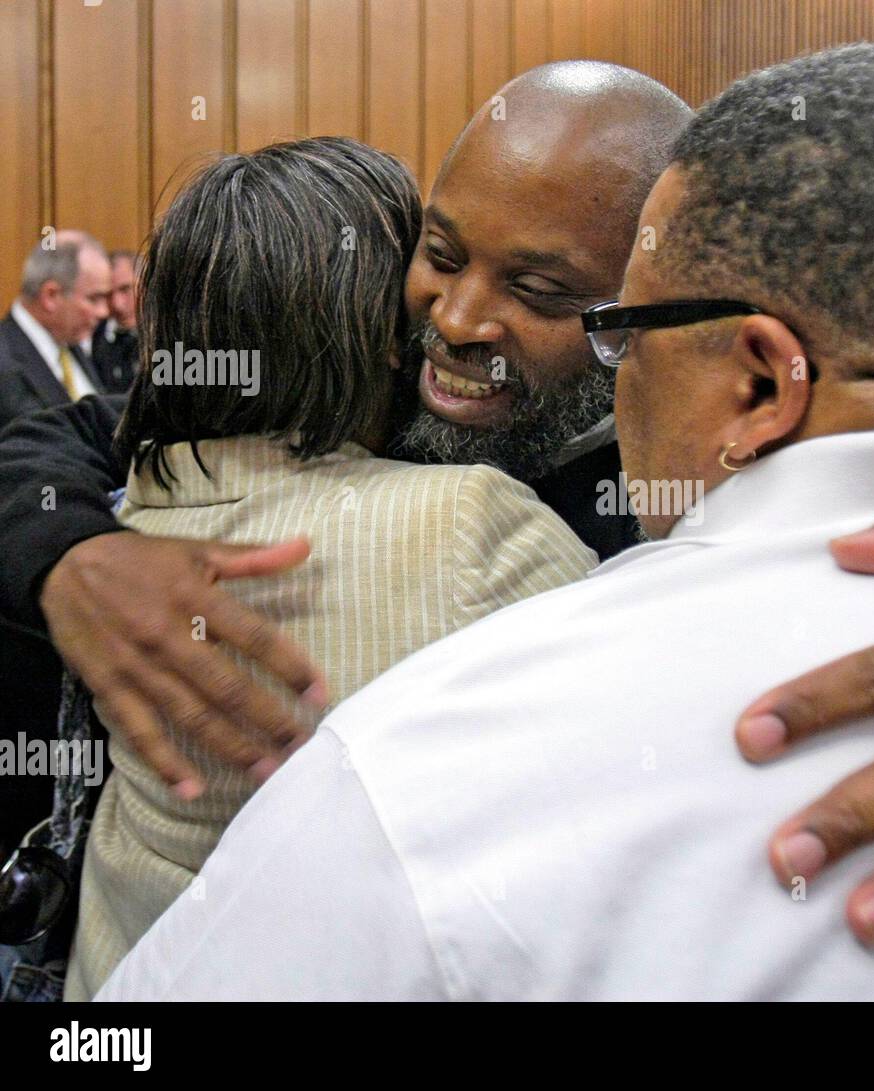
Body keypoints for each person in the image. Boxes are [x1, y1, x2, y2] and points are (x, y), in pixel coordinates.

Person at [2, 62, 874, 964]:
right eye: (443, 252)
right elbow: (61, 436)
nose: (458, 318)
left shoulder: (698, 465)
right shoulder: (369, 393)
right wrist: (67, 549)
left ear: (660, 298)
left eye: (542, 286)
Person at [59, 136, 593, 1001]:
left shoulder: (129, 506)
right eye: (431, 269)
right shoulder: (466, 525)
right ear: (380, 327)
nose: (448, 320)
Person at [0, 231, 109, 429]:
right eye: (94, 299)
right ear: (50, 296)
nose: (104, 311)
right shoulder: (5, 362)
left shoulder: (72, 343)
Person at [90, 250, 140, 394]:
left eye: (125, 289)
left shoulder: (168, 334)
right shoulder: (91, 338)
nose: (117, 304)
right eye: (108, 294)